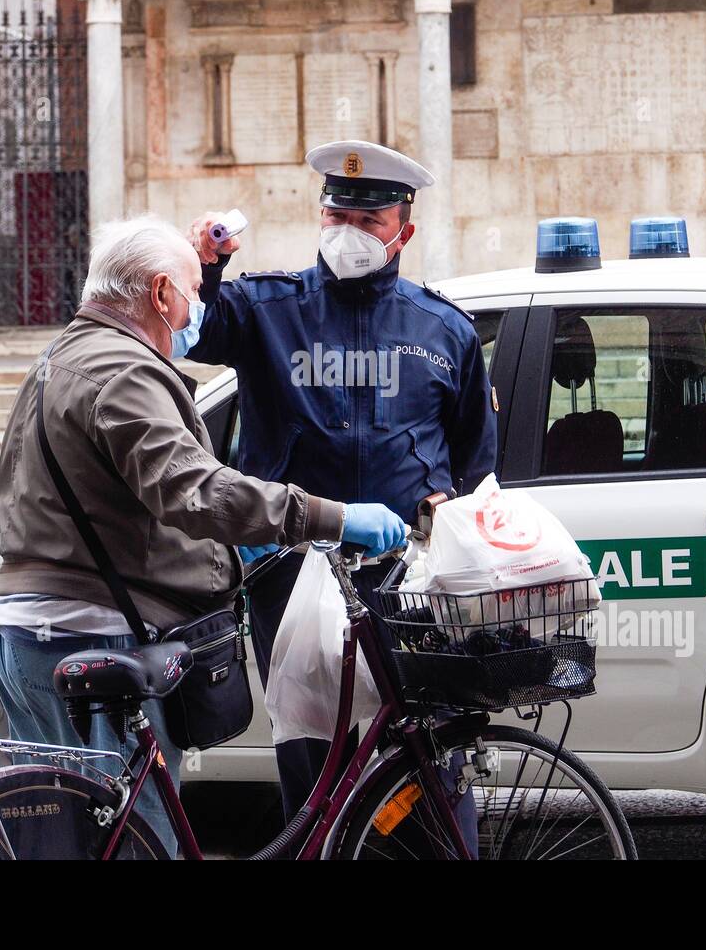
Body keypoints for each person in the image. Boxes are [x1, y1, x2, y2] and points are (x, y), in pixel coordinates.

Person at [0, 214, 406, 857]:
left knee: (69, 843)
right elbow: (195, 491)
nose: (196, 313)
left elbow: (114, 501)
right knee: (141, 838)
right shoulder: (125, 371)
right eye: (193, 294)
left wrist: (232, 550)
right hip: (92, 630)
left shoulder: (65, 355)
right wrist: (334, 517)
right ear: (159, 294)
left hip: (29, 631)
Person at [187, 140, 498, 823]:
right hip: (291, 573)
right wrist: (203, 269)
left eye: (369, 221)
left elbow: (478, 469)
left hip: (406, 578)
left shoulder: (443, 330)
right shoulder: (267, 309)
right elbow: (191, 330)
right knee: (313, 762)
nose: (349, 233)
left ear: (403, 231)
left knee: (427, 755)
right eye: (337, 216)